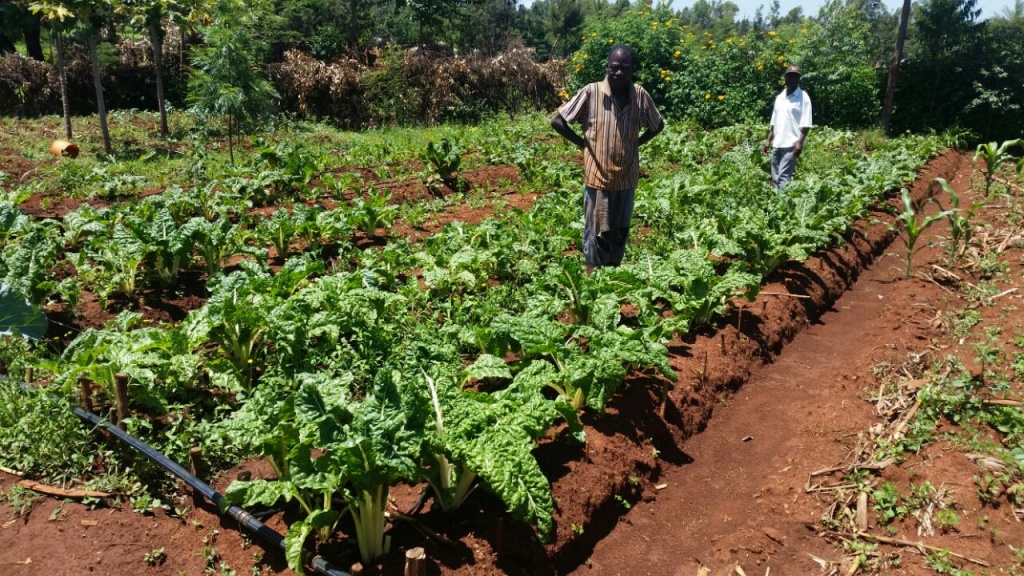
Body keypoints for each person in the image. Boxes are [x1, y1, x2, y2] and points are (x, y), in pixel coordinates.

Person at [551, 44, 664, 268]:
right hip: (597, 179)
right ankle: (592, 279)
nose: (619, 72)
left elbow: (657, 125)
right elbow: (558, 120)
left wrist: (636, 144)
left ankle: (613, 279)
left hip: (626, 179)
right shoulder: (591, 92)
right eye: (614, 67)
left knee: (619, 233)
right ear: (607, 67)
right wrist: (583, 144)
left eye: (624, 68)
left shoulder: (640, 95)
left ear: (631, 69)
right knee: (596, 235)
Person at [762, 65, 812, 190]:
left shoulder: (803, 97)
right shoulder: (780, 97)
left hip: (791, 144)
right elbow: (774, 121)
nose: (791, 79)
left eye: (795, 77)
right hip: (777, 143)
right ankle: (775, 201)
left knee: (783, 177)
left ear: (798, 79)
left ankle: (781, 206)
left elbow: (806, 123)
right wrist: (768, 140)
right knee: (774, 176)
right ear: (785, 78)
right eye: (789, 76)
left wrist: (800, 142)